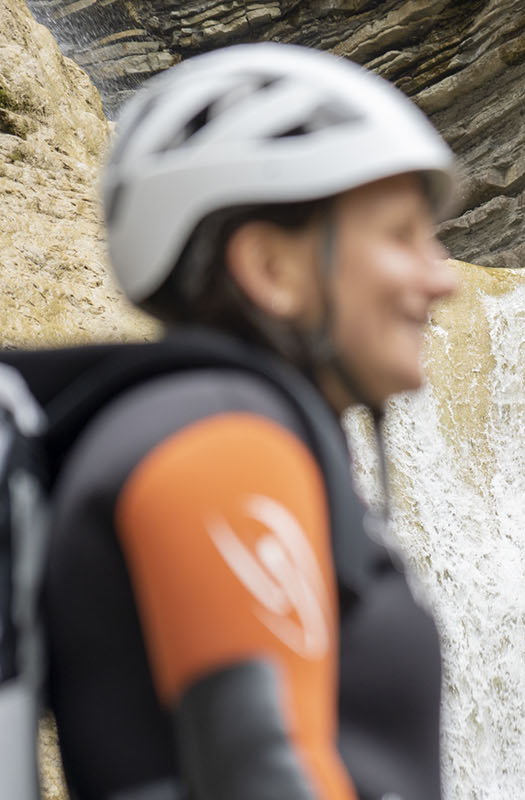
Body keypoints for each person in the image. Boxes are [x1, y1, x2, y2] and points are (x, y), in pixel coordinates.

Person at [37, 43, 456, 799]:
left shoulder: (203, 422)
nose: (443, 276)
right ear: (271, 269)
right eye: (401, 235)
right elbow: (264, 775)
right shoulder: (223, 439)